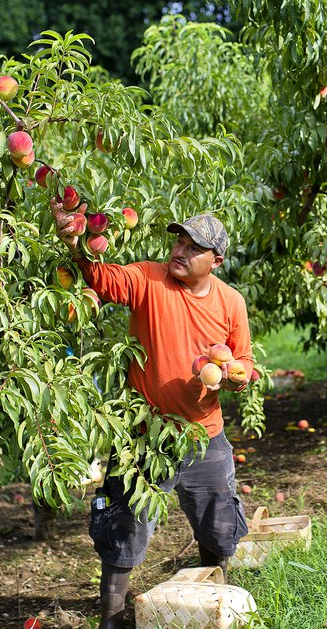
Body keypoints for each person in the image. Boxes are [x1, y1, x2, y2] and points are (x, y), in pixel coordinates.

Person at [50, 197, 254, 629]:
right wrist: (75, 240)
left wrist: (239, 377)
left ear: (215, 260)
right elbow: (100, 277)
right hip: (143, 435)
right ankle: (111, 618)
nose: (179, 252)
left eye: (192, 247)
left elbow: (244, 360)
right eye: (178, 242)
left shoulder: (231, 303)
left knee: (219, 530)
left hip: (204, 435)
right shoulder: (148, 278)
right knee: (123, 530)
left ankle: (212, 604)